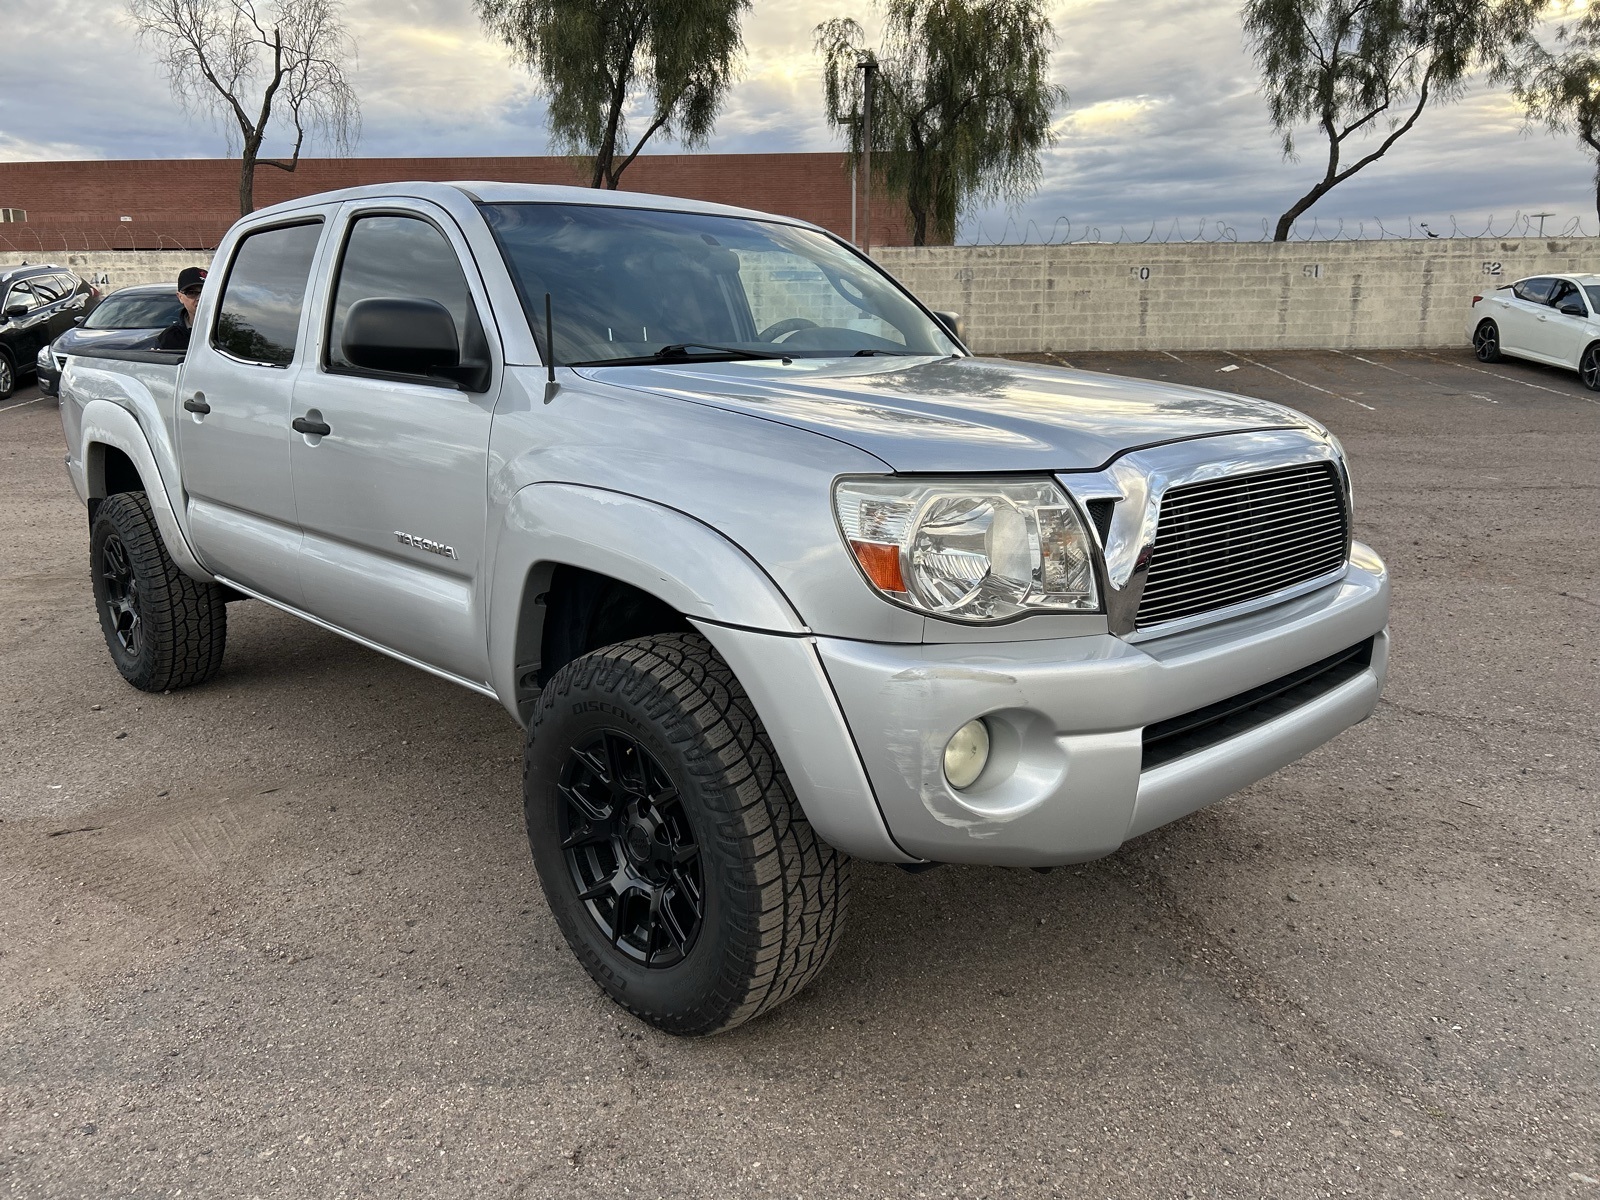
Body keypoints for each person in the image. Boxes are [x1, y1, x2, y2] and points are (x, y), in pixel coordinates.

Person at [155, 266, 207, 351]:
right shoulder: (168, 338)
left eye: (205, 292)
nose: (199, 298)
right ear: (180, 297)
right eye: (191, 293)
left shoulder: (228, 330)